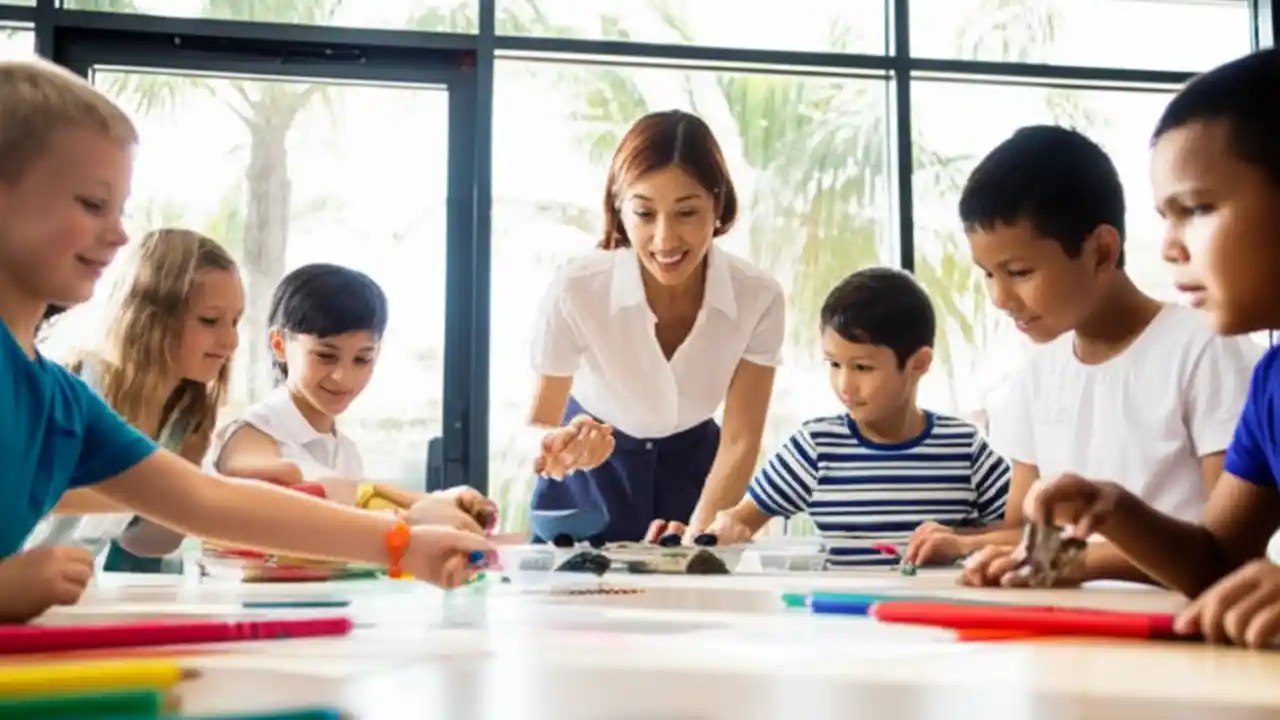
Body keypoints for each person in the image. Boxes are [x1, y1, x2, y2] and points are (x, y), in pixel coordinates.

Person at [0, 58, 490, 622]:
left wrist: (405, 544)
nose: (118, 233)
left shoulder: (61, 403)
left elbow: (207, 500)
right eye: (91, 204)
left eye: (121, 208)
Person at [908, 124, 1259, 582]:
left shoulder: (1206, 348)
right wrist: (965, 544)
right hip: (1064, 625)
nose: (999, 297)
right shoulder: (1035, 375)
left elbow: (1221, 549)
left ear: (1100, 251)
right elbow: (1029, 532)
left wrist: (1071, 563)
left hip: (1180, 622)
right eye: (988, 274)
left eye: (1018, 271)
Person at [1016, 49, 1280, 648]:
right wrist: (1117, 509)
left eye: (1198, 210)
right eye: (1166, 216)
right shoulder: (1271, 386)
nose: (1168, 248)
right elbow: (1217, 559)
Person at [525, 109, 785, 545]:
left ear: (717, 206)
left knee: (699, 601)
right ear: (619, 210)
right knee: (572, 607)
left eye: (686, 213)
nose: (665, 240)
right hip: (589, 471)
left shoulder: (758, 296)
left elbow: (741, 440)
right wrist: (561, 447)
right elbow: (541, 418)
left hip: (700, 473)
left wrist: (699, 539)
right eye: (644, 214)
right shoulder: (577, 287)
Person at [705, 268, 1010, 565]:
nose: (844, 386)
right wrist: (713, 534)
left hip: (935, 612)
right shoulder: (815, 447)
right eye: (834, 364)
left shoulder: (964, 448)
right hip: (840, 613)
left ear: (918, 363)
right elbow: (738, 521)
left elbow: (1024, 533)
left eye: (862, 367)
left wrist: (961, 541)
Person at [26, 228, 280, 573]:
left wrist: (199, 502)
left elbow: (143, 542)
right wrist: (181, 493)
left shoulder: (186, 415)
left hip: (67, 591)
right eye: (209, 320)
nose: (231, 341)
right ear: (151, 317)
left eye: (235, 321)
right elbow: (34, 489)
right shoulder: (79, 384)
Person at [211, 263, 495, 532]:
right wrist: (424, 503)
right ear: (279, 345)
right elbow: (301, 481)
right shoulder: (249, 434)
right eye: (325, 355)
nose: (343, 376)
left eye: (362, 359)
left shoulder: (345, 452)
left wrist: (439, 503)